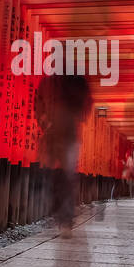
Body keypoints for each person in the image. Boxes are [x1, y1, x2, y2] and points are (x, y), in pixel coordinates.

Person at [34, 73, 93, 237]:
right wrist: (43, 119)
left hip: (68, 135)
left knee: (66, 176)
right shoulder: (50, 79)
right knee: (54, 175)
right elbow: (38, 99)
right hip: (53, 134)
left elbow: (87, 102)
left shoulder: (76, 78)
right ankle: (61, 214)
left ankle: (65, 219)